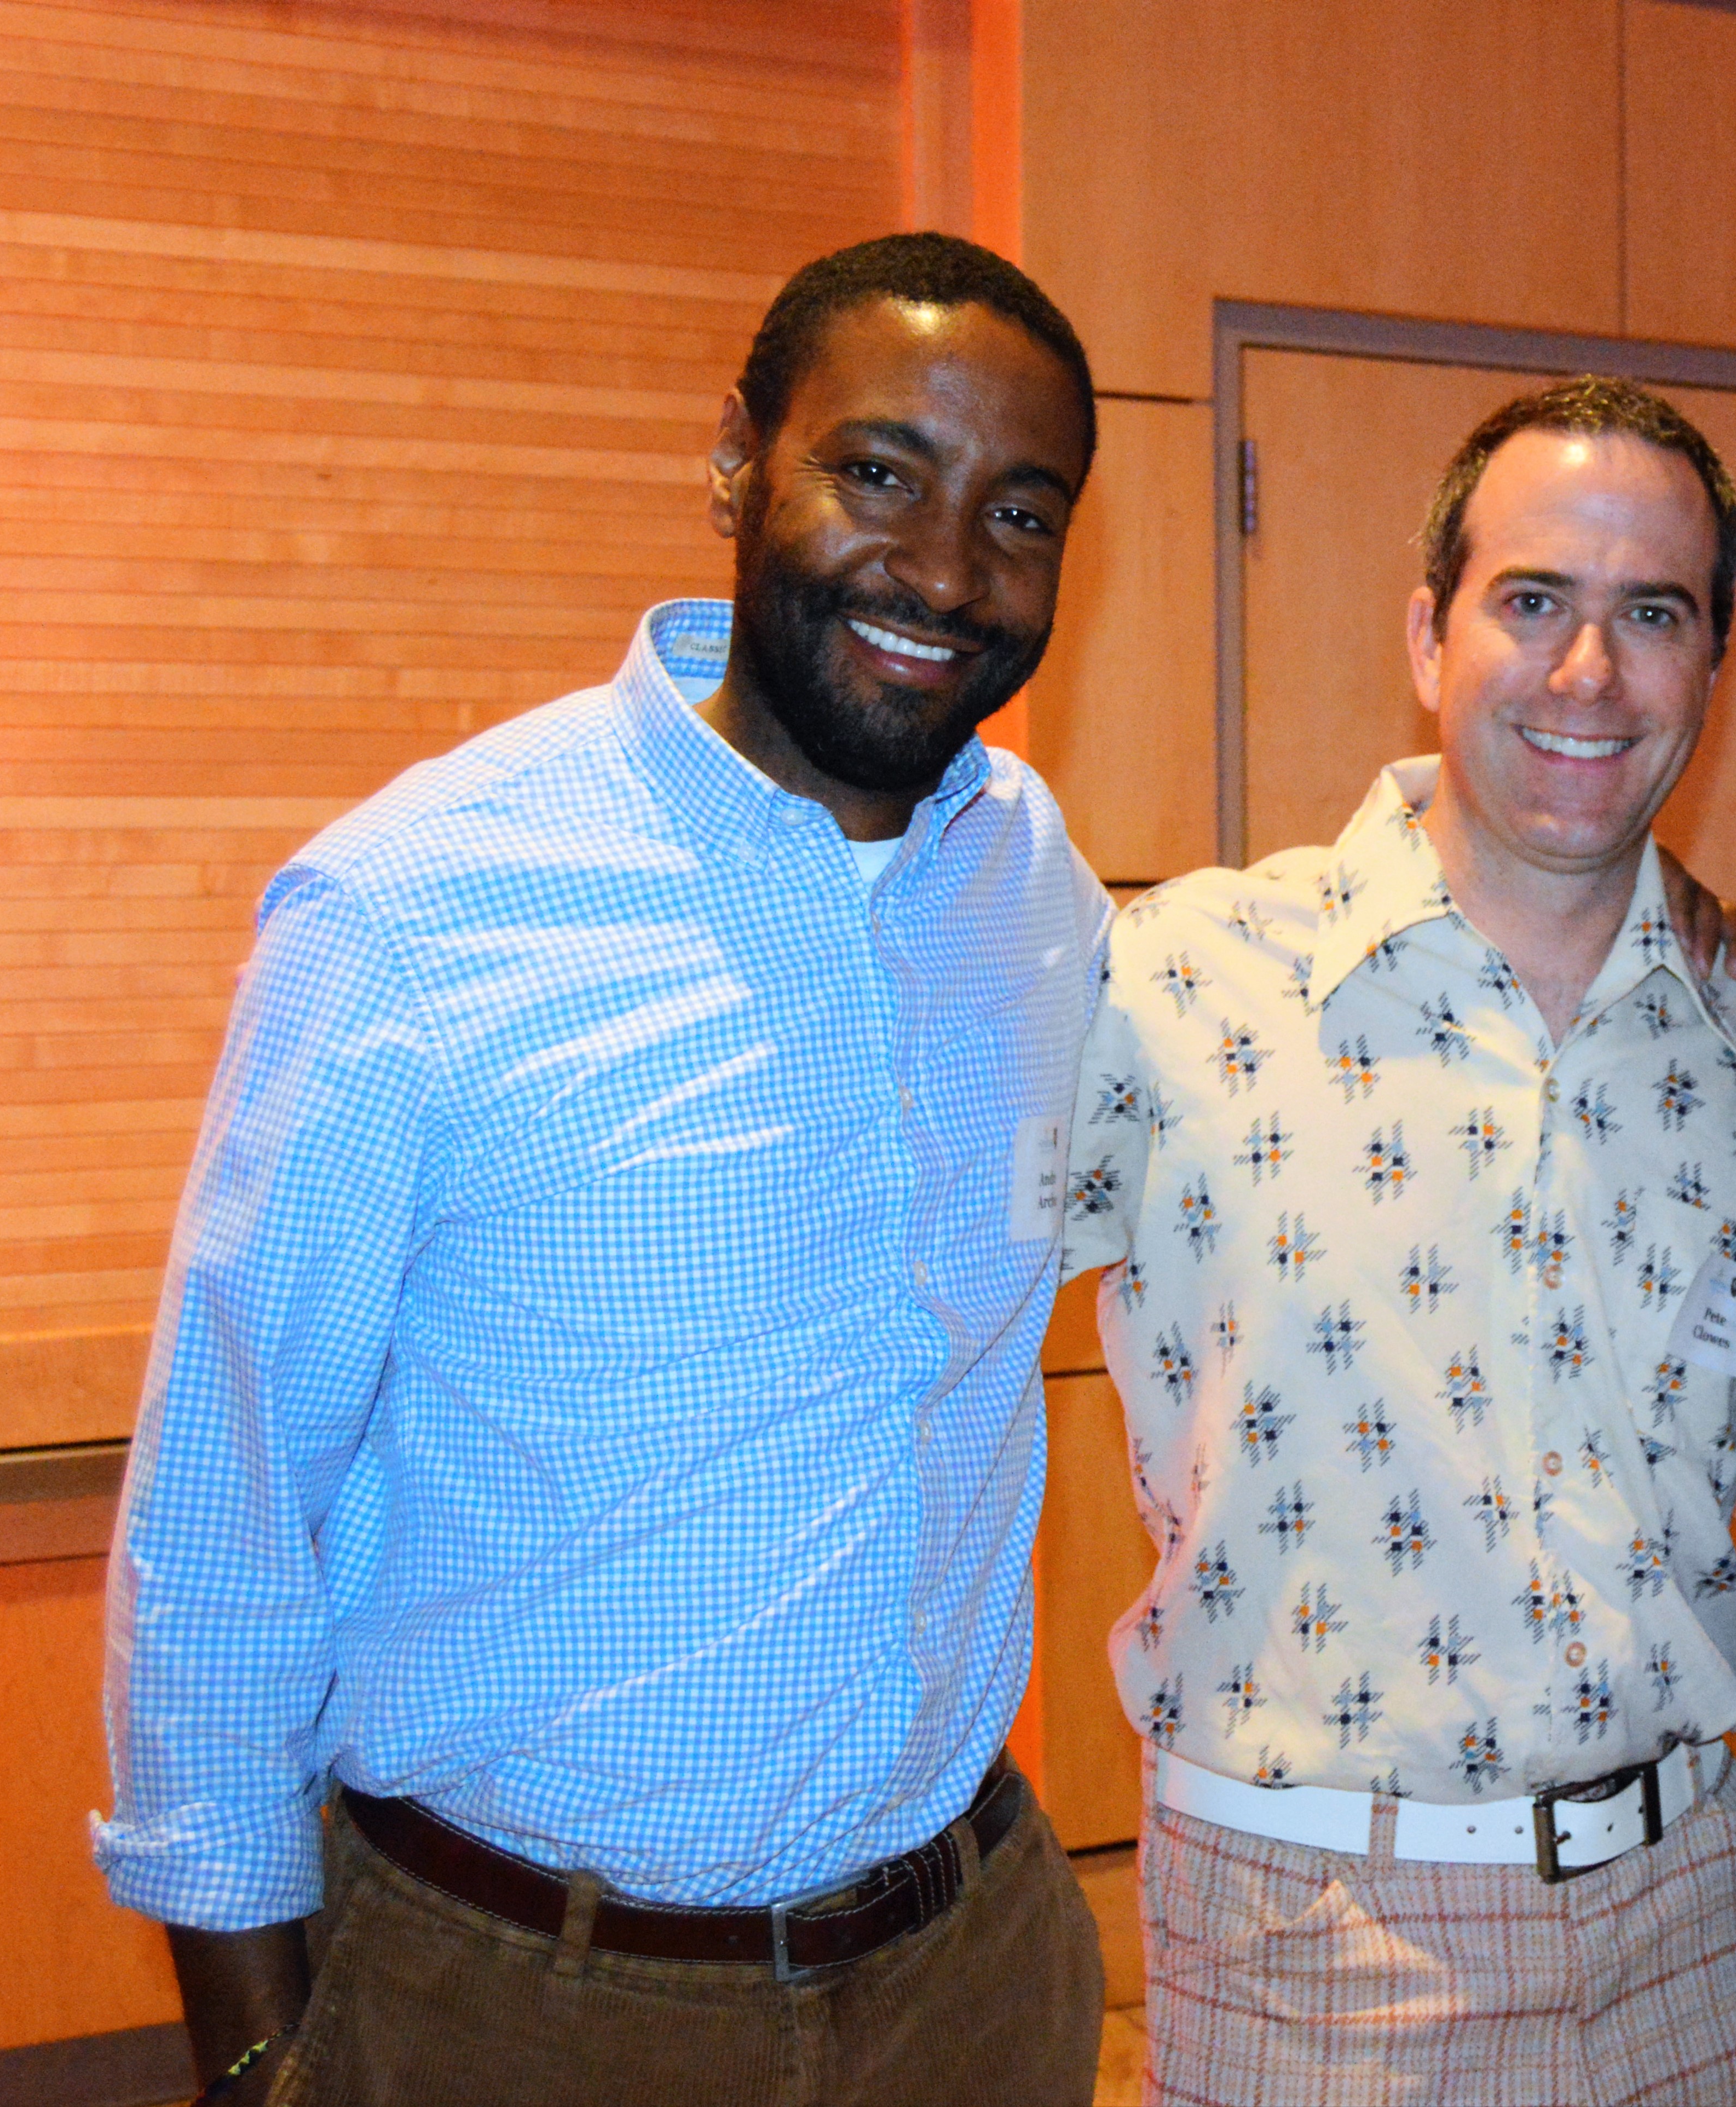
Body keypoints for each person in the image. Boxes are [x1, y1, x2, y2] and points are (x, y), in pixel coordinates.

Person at [94, 234, 1112, 2105]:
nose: (948, 570)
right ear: (737, 460)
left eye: (1020, 512)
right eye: (880, 473)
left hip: (976, 1981)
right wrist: (254, 2058)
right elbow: (225, 1515)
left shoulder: (1036, 884)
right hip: (525, 2006)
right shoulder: (415, 909)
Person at [1059, 376, 1736, 2105]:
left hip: (1688, 1921)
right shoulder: (1178, 981)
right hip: (1320, 1932)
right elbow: (882, 1312)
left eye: (1654, 615)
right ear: (1428, 632)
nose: (1589, 673)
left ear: (1712, 664)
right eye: (1533, 602)